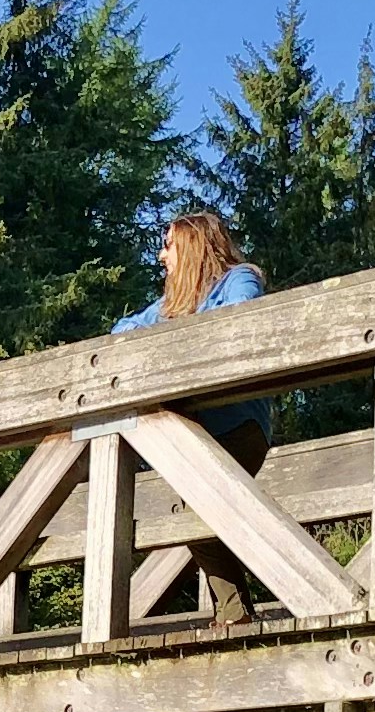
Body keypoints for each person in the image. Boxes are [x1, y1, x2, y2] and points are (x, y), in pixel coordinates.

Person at [111, 206, 270, 618]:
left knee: (199, 512)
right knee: (194, 517)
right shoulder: (171, 303)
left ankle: (248, 608)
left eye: (168, 246)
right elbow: (121, 331)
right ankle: (235, 615)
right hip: (190, 436)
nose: (162, 257)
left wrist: (170, 335)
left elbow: (236, 321)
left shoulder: (239, 279)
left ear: (193, 245)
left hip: (237, 423)